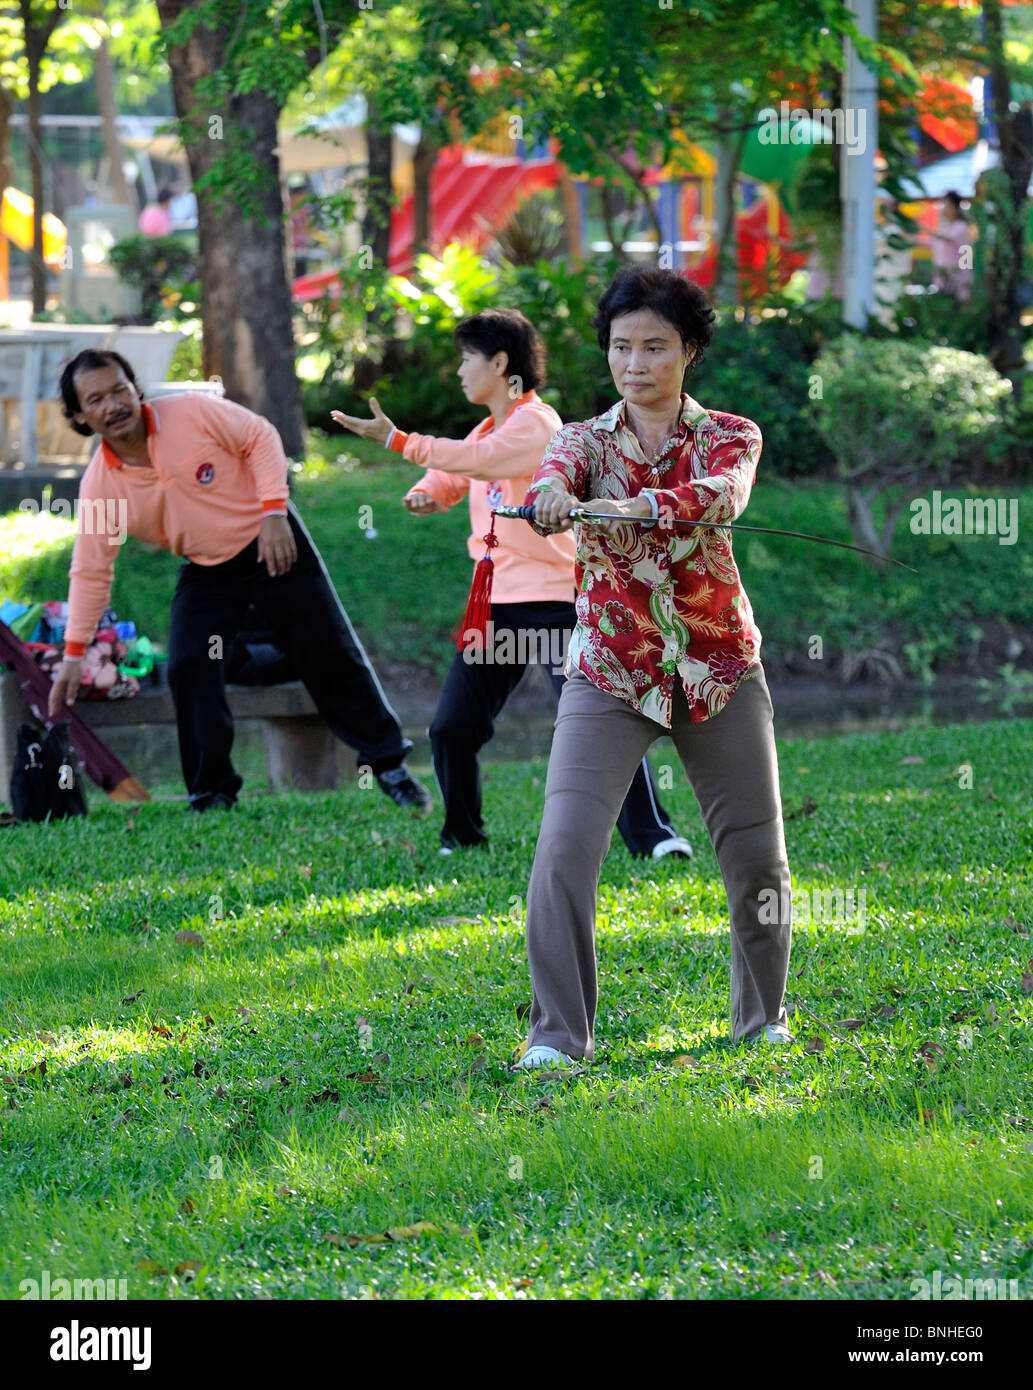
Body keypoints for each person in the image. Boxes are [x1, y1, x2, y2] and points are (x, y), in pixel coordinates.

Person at [509, 266, 794, 1070]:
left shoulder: (730, 433)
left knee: (755, 854)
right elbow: (551, 480)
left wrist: (647, 507)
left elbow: (722, 494)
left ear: (689, 351)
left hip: (717, 667)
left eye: (655, 347)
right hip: (610, 669)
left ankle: (761, 1018)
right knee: (564, 847)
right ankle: (557, 1037)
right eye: (620, 346)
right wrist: (554, 501)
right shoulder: (579, 440)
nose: (635, 363)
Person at [331, 308, 692, 860]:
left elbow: (483, 460)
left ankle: (654, 837)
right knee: (451, 728)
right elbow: (461, 469)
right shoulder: (486, 429)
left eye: (466, 359)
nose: (458, 372)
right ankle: (463, 836)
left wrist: (399, 441)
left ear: (500, 363)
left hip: (557, 604)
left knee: (597, 724)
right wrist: (431, 491)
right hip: (495, 609)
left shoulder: (537, 424)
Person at [48, 349, 432, 816]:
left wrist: (273, 510)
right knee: (189, 666)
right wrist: (73, 654)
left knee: (329, 651)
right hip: (207, 570)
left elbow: (260, 435)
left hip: (271, 538)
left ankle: (389, 764)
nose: (113, 405)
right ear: (79, 416)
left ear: (136, 389)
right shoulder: (102, 486)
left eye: (119, 390)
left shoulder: (189, 413)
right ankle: (211, 792)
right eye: (96, 399)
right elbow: (92, 570)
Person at [929, 191, 973, 304]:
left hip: (957, 282)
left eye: (946, 205)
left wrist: (920, 227)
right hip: (943, 281)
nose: (943, 208)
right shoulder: (946, 227)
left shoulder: (961, 228)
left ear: (954, 207)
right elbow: (931, 243)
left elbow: (947, 238)